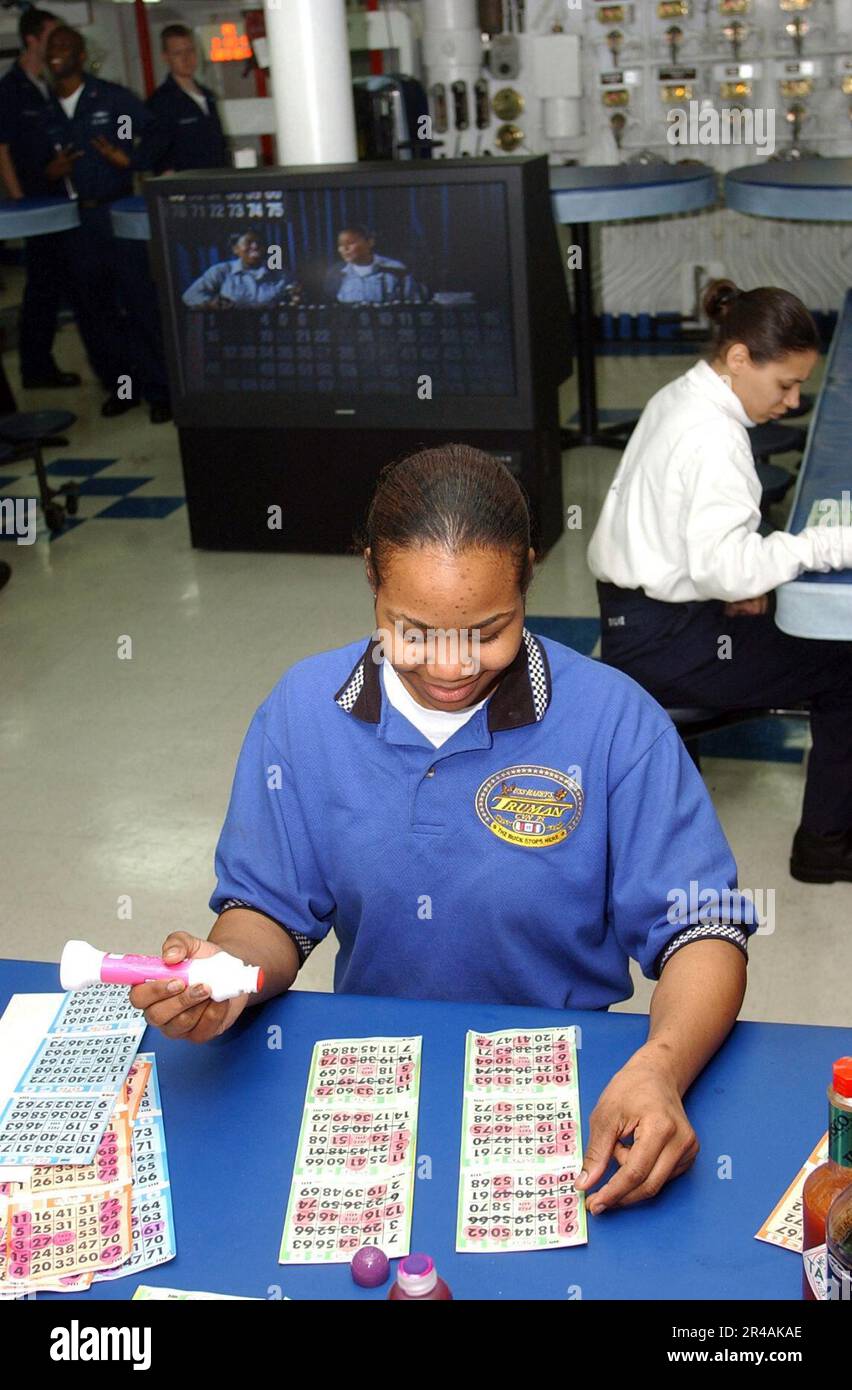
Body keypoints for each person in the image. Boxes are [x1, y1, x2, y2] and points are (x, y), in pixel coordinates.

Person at [131, 444, 760, 1215]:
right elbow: (269, 916)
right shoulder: (303, 713)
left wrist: (661, 1067)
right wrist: (224, 975)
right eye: (414, 630)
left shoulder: (613, 720)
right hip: (370, 1086)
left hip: (565, 1089)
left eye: (490, 630)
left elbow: (702, 932)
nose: (453, 665)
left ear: (528, 574)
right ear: (371, 577)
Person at [587, 279, 852, 886]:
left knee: (774, 597)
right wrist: (828, 544)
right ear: (739, 359)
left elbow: (709, 558)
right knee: (845, 668)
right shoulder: (717, 439)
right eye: (785, 384)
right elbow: (725, 567)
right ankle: (824, 845)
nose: (790, 401)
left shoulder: (680, 395)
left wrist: (732, 580)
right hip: (666, 645)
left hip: (636, 614)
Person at [39, 24, 169, 420]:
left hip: (116, 215)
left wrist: (126, 155)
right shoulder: (47, 112)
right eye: (51, 49)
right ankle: (123, 388)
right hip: (75, 222)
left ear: (80, 57)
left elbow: (146, 131)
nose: (56, 54)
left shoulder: (110, 99)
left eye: (65, 47)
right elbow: (34, 167)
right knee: (96, 314)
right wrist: (52, 169)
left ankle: (161, 392)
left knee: (138, 304)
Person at [0, 7, 80, 389]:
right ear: (33, 38)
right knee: (42, 287)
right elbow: (1, 149)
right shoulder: (11, 89)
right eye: (52, 35)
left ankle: (43, 364)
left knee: (56, 282)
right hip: (34, 202)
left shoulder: (47, 86)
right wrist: (19, 202)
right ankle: (36, 368)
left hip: (58, 199)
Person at [142, 24, 227, 175]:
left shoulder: (208, 96)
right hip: (186, 187)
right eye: (178, 53)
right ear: (166, 57)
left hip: (216, 180)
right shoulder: (160, 102)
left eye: (190, 51)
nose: (186, 59)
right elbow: (156, 154)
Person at [182, 231, 299, 308]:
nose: (255, 246)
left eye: (259, 243)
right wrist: (210, 303)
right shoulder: (221, 271)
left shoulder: (280, 274)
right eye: (248, 242)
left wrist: (295, 298)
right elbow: (189, 296)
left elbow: (294, 299)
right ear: (235, 249)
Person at [324, 225, 428, 304]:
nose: (345, 249)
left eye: (350, 243)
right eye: (341, 245)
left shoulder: (396, 269)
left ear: (370, 242)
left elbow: (414, 304)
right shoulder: (336, 274)